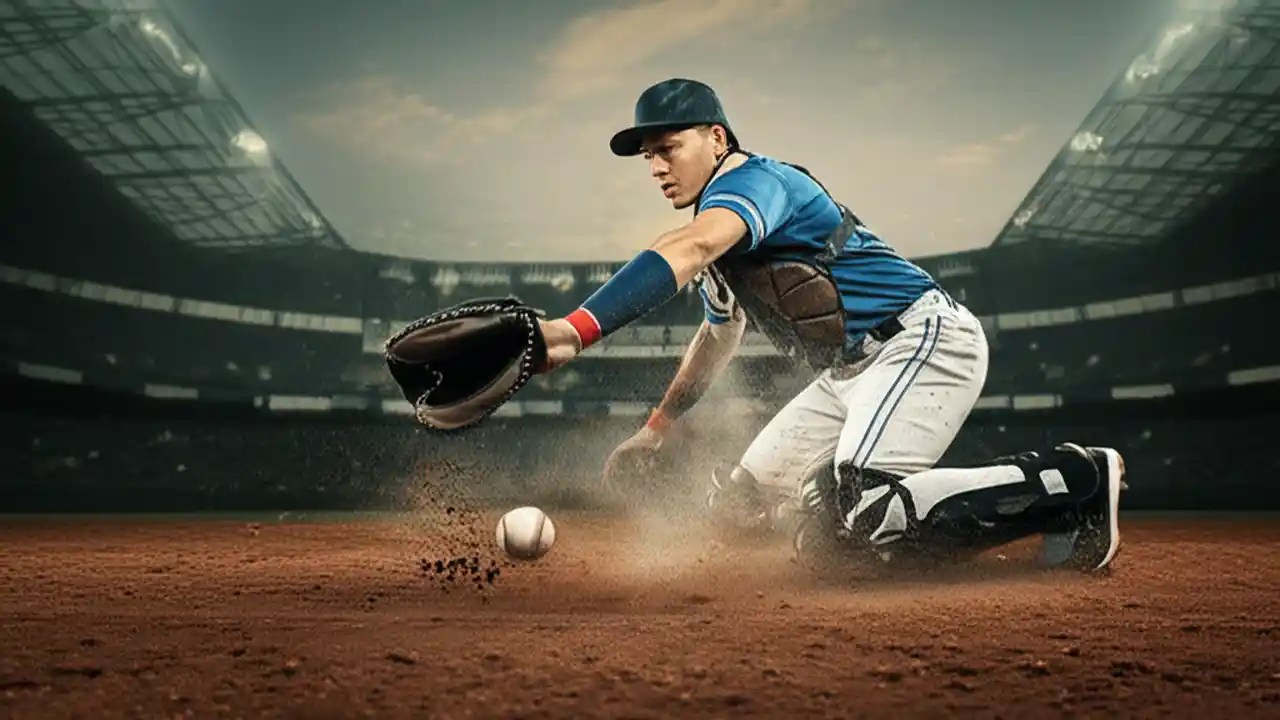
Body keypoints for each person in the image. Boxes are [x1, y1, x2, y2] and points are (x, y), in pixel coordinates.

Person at [535, 78, 1124, 573]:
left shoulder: (754, 181)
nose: (658, 166)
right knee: (743, 507)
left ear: (716, 138)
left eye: (669, 147)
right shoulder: (716, 223)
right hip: (845, 374)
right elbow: (719, 334)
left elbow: (689, 246)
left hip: (920, 340)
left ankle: (1073, 478)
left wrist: (575, 330)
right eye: (650, 157)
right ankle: (837, 521)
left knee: (867, 513)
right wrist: (660, 426)